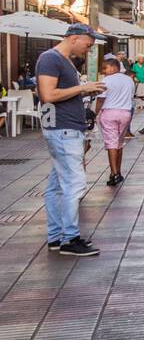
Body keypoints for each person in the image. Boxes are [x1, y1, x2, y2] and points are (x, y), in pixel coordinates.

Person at [36, 24, 106, 256]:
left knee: (57, 186)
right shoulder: (50, 59)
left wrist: (84, 91)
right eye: (87, 45)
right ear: (75, 38)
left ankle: (56, 237)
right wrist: (82, 88)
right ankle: (70, 239)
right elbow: (48, 95)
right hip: (62, 130)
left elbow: (61, 92)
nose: (88, 50)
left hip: (65, 128)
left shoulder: (63, 61)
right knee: (74, 184)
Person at [94, 56, 136, 187]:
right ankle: (118, 171)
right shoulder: (129, 80)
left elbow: (100, 99)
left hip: (109, 113)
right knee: (119, 143)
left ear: (113, 67)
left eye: (104, 68)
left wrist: (95, 113)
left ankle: (114, 173)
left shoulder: (106, 80)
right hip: (125, 113)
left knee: (111, 143)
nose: (103, 71)